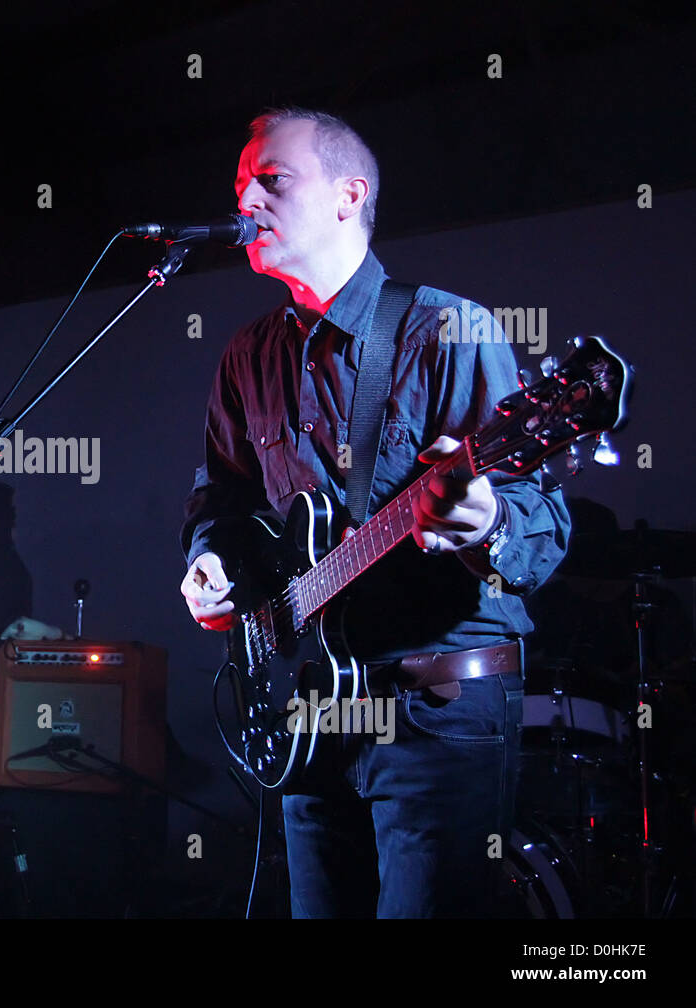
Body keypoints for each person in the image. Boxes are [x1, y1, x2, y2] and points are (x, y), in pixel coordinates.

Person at [179, 108, 571, 917]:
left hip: (436, 708)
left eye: (272, 179)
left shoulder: (445, 329)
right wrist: (209, 563)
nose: (247, 197)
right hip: (311, 707)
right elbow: (222, 500)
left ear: (348, 195)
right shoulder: (247, 359)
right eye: (240, 183)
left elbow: (544, 522)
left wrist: (488, 520)